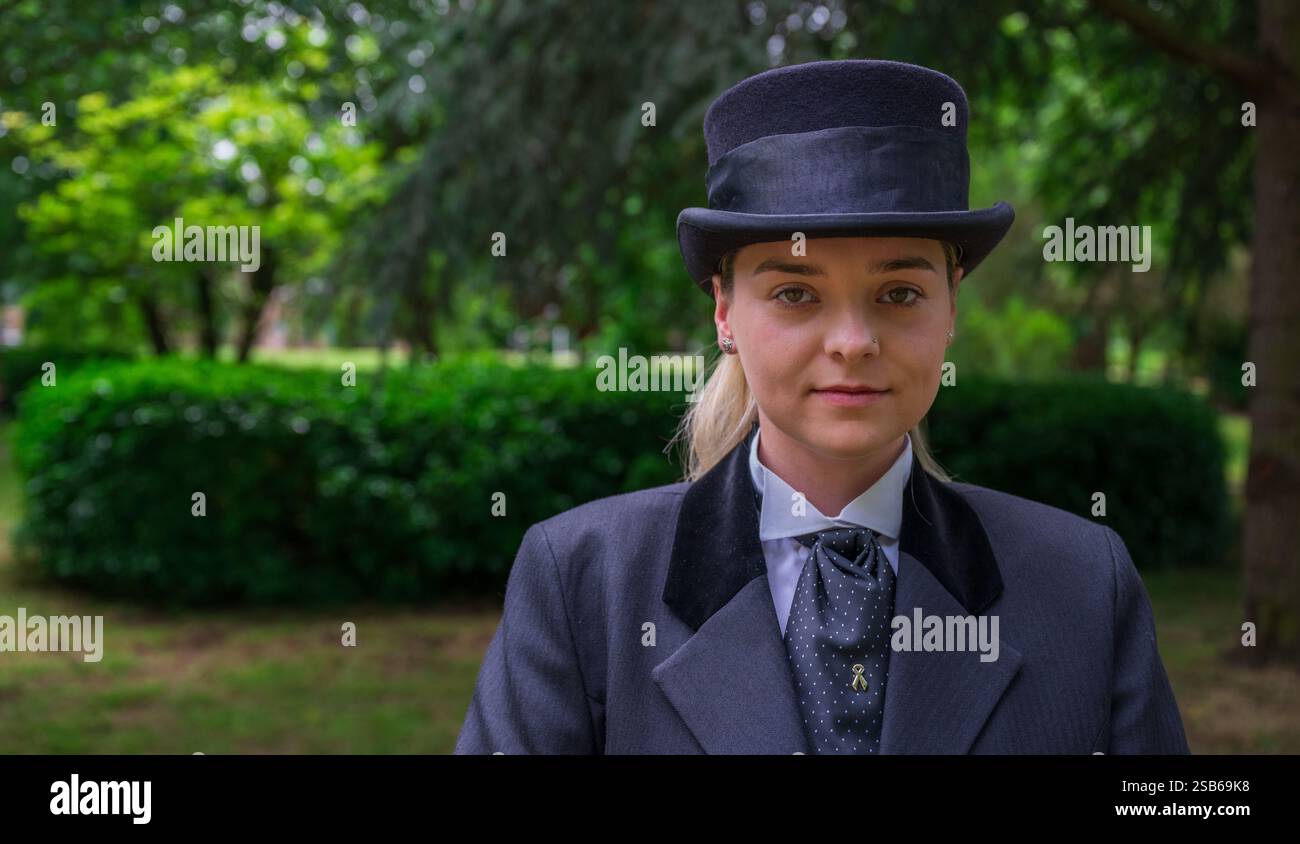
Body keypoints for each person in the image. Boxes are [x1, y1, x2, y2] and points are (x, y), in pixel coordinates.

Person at [454, 59, 1189, 754]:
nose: (853, 342)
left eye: (899, 293)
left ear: (951, 305)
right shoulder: (584, 583)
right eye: (796, 293)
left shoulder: (1084, 585)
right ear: (724, 311)